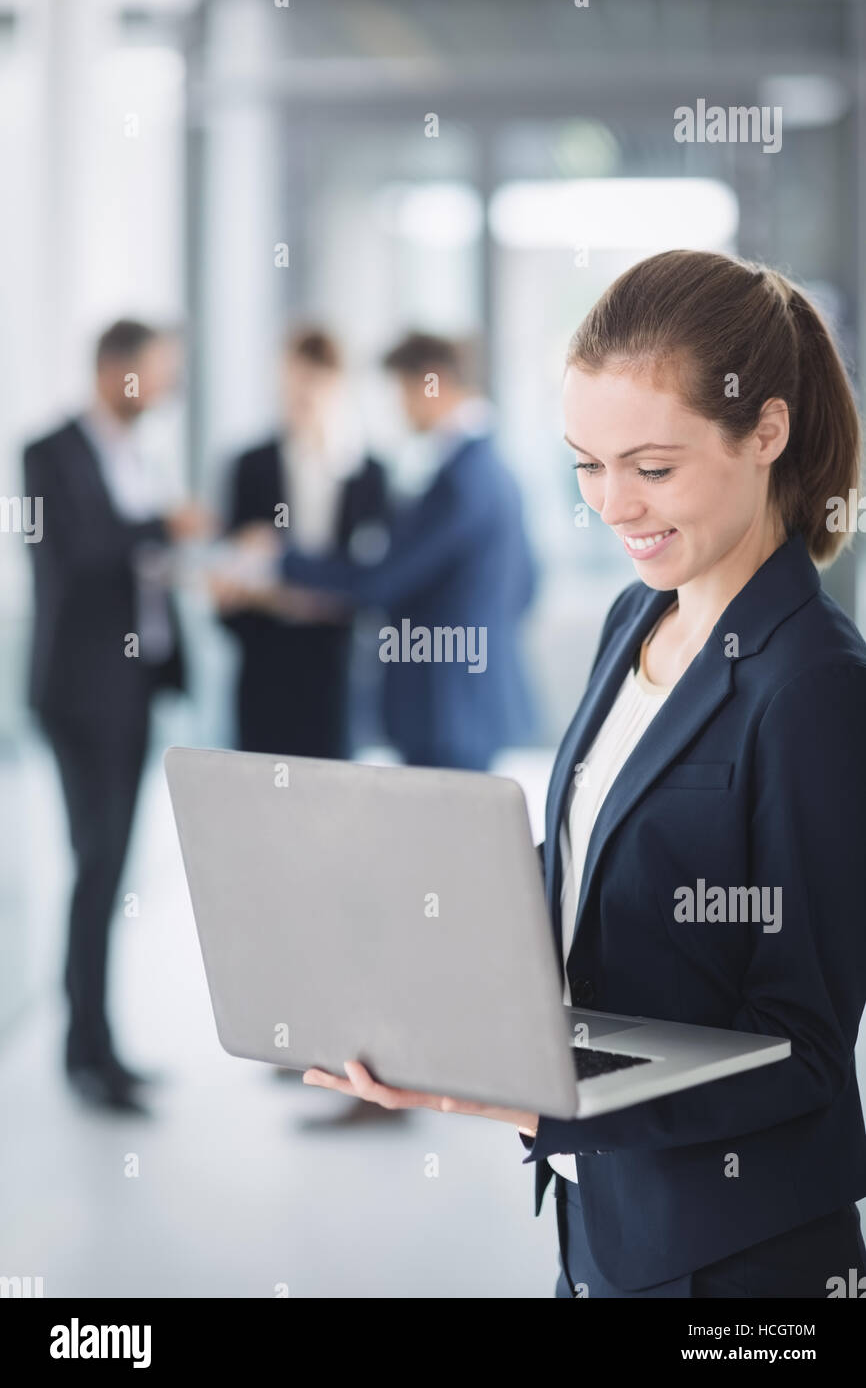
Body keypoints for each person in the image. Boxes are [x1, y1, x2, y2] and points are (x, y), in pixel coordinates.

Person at [301, 250, 866, 1298]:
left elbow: (802, 1052)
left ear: (766, 431)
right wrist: (400, 924)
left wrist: (534, 1099)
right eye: (583, 465)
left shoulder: (815, 687)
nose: (611, 506)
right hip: (603, 1227)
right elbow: (601, 859)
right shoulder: (636, 617)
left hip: (735, 1264)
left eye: (650, 468)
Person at [23, 319, 209, 1113]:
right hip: (79, 693)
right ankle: (85, 1052)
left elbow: (142, 566)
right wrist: (164, 527)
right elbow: (78, 554)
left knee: (109, 869)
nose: (162, 390)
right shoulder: (48, 452)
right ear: (112, 370)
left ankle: (99, 1046)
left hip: (135, 689)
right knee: (97, 867)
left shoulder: (140, 454)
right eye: (153, 374)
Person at [272, 332, 537, 771]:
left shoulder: (457, 482)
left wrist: (280, 560)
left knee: (439, 835)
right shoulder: (495, 469)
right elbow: (528, 585)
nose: (399, 408)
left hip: (445, 707)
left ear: (431, 384)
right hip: (470, 701)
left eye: (400, 392)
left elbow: (379, 582)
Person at [213, 327, 388, 758]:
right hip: (264, 664)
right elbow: (229, 574)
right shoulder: (249, 467)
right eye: (294, 381)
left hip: (337, 666)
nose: (303, 395)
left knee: (332, 799)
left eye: (316, 383)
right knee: (260, 798)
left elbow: (372, 580)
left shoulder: (369, 475)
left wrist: (284, 577)